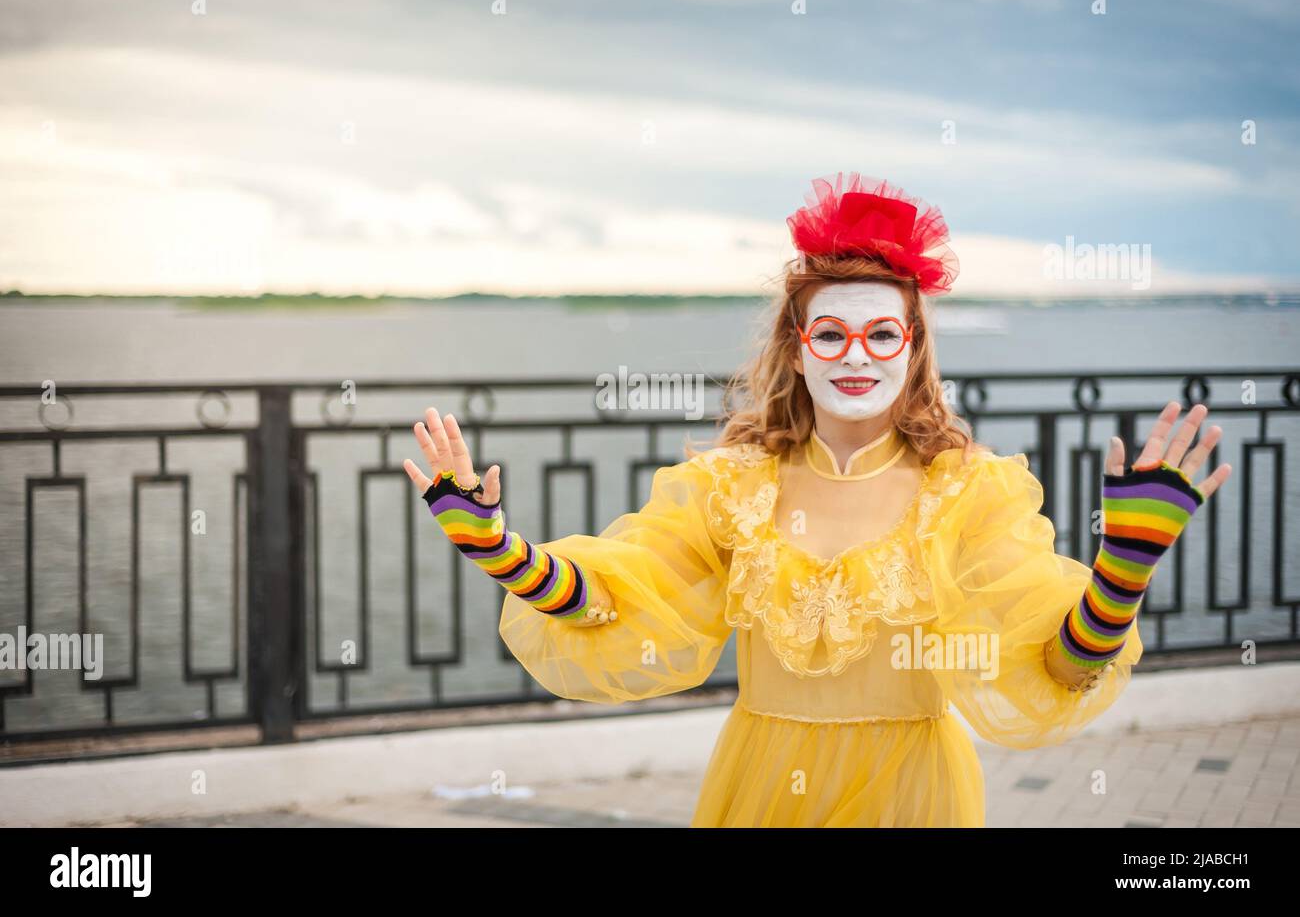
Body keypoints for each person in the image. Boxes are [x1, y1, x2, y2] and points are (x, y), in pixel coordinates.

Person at [402, 172, 1232, 827]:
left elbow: (1056, 667)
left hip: (917, 792)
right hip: (762, 783)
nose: (855, 356)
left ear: (913, 352)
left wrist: (1121, 572)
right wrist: (498, 550)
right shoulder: (733, 486)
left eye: (881, 335)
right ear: (797, 353)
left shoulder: (968, 491)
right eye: (830, 334)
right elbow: (612, 607)